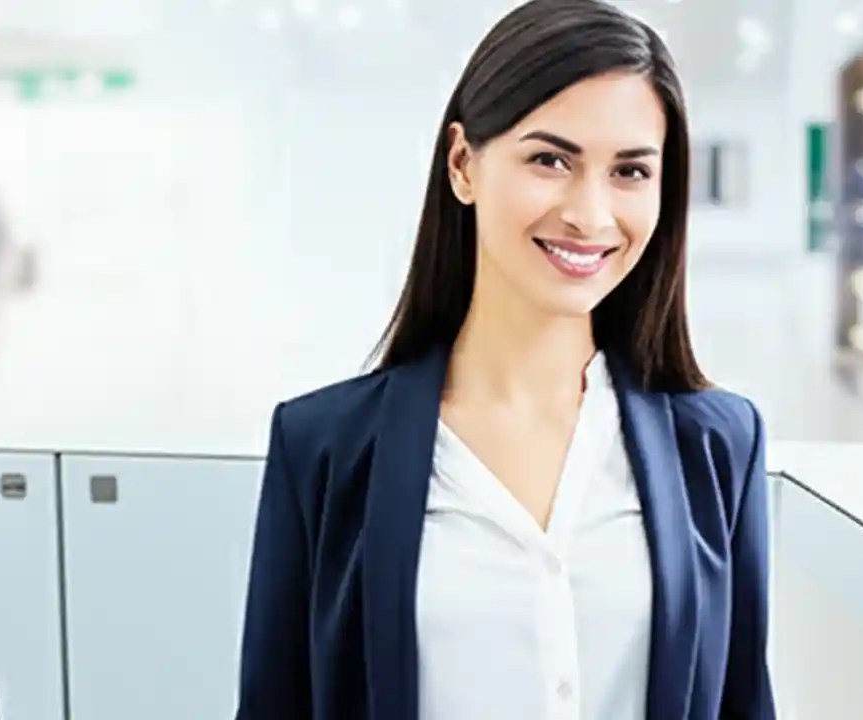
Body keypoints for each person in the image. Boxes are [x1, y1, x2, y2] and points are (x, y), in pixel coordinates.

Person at [235, 1, 775, 719]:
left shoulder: (715, 445)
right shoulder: (326, 448)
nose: (590, 214)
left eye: (630, 171)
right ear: (463, 164)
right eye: (550, 160)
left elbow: (742, 701)